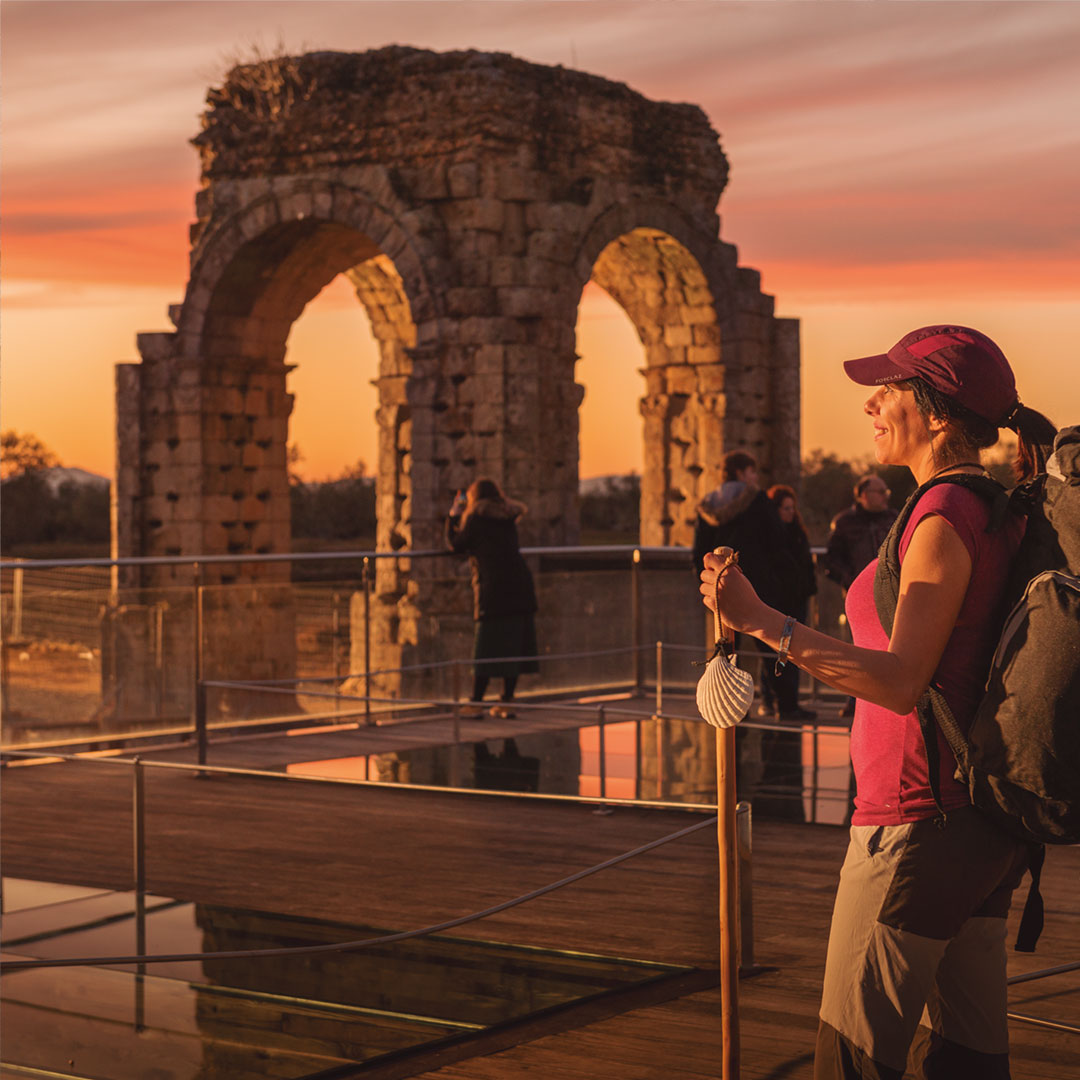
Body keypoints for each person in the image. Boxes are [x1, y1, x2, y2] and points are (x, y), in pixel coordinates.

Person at [699, 325, 1056, 1079]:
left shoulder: (943, 516)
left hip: (915, 824)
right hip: (980, 832)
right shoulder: (996, 508)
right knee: (968, 1060)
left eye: (888, 389)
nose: (870, 402)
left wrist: (760, 620)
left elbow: (900, 681)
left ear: (934, 412)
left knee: (852, 1065)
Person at [446, 478, 539, 718]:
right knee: (513, 646)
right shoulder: (507, 517)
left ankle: (476, 703)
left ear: (474, 499)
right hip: (519, 587)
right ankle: (506, 700)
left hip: (495, 590)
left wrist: (454, 515)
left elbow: (456, 545)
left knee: (485, 648)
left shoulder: (476, 520)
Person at [764, 484, 817, 720]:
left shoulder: (797, 533)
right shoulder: (770, 537)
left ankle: (789, 703)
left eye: (792, 508)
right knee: (774, 653)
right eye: (785, 508)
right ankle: (775, 702)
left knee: (793, 652)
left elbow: (804, 565)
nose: (789, 513)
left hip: (796, 599)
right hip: (777, 600)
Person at [824, 474, 898, 591]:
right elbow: (832, 559)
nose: (886, 496)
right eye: (881, 492)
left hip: (891, 592)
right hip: (858, 593)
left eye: (886, 492)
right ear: (864, 495)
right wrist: (851, 581)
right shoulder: (845, 522)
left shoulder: (894, 519)